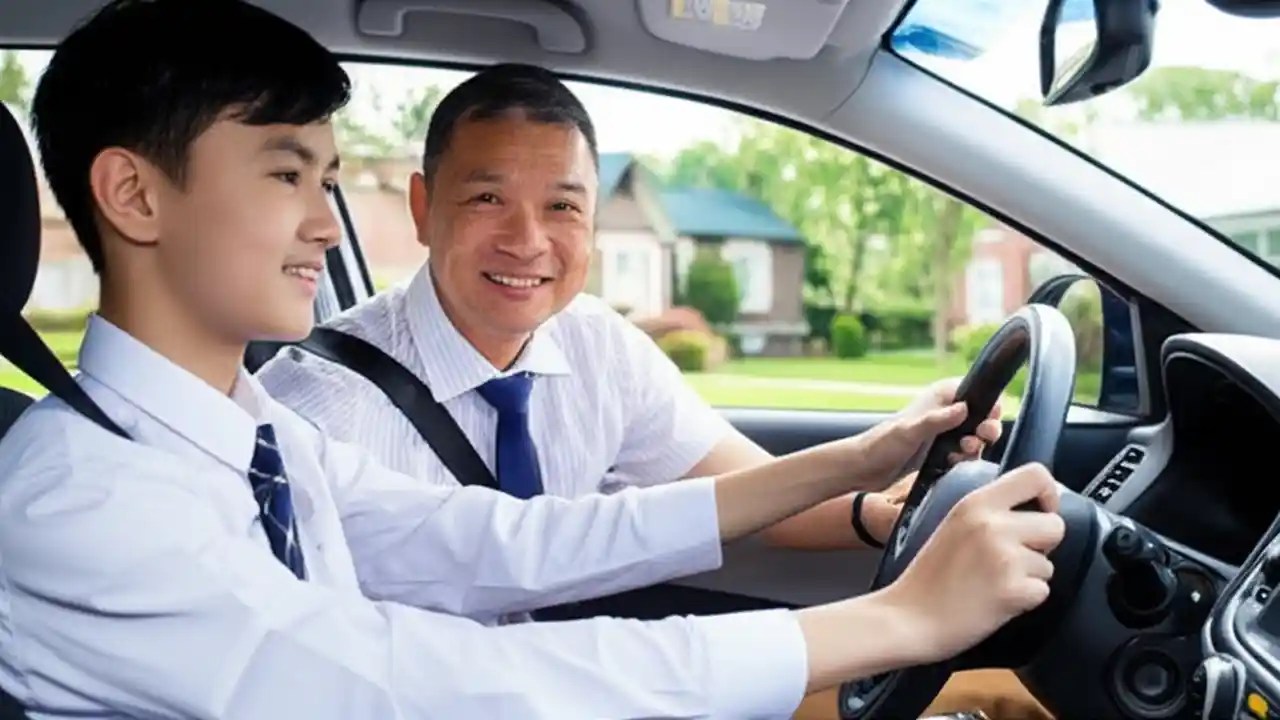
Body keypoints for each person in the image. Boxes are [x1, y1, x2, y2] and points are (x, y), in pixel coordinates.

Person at [0, 1, 1065, 717]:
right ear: (134, 196)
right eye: (286, 175)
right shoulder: (82, 503)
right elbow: (436, 682)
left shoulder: (254, 436)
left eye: (327, 179)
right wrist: (892, 620)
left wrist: (862, 460)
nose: (326, 224)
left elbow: (507, 540)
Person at [256, 64, 1052, 718]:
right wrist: (897, 614)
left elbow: (701, 498)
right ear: (424, 208)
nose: (528, 241)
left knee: (990, 691)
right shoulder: (313, 414)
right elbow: (522, 559)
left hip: (578, 683)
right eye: (487, 198)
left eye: (563, 207)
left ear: (596, 222)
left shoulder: (597, 345)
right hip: (493, 696)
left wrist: (871, 494)